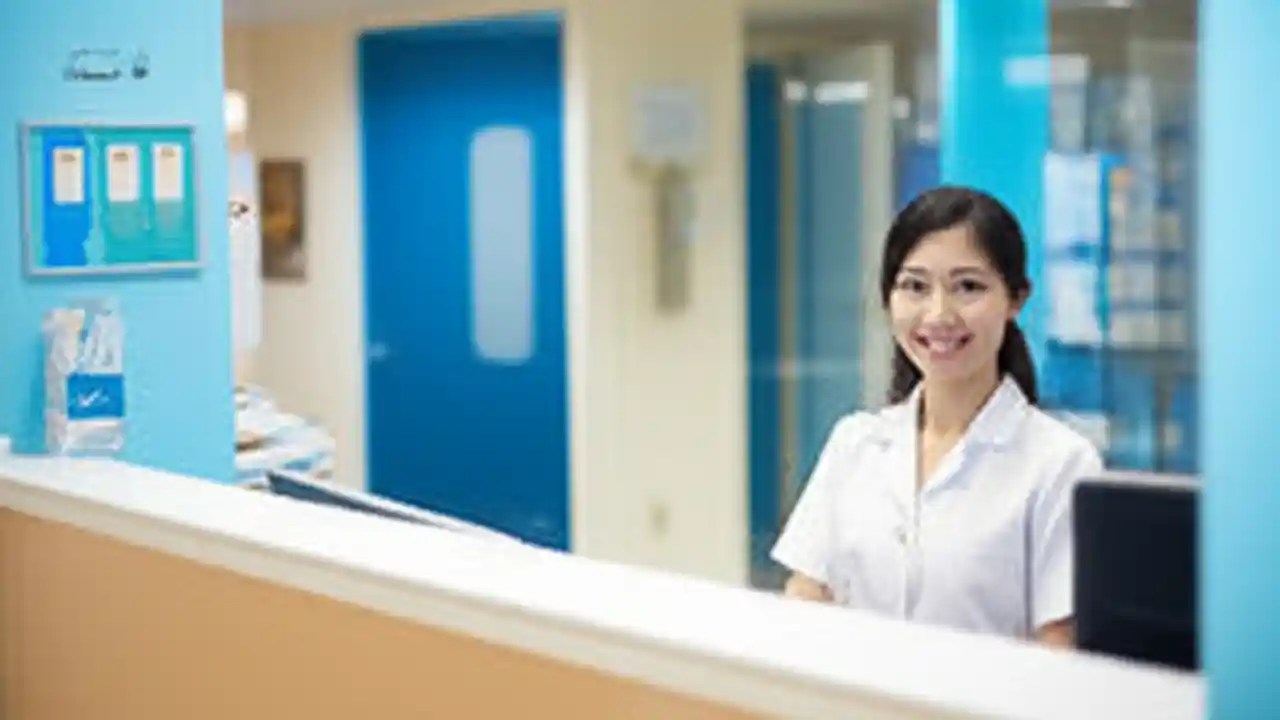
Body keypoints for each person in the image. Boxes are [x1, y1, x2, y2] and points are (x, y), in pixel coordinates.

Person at [770, 186, 1102, 647]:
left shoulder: (1059, 464)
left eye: (968, 286)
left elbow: (1062, 650)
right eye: (915, 286)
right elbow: (806, 601)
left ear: (1016, 298)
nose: (939, 314)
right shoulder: (856, 443)